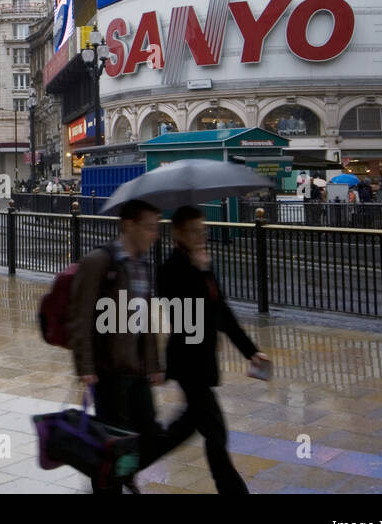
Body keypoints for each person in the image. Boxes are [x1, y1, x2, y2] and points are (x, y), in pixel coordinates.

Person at [156, 206, 269, 494]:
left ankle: (128, 461)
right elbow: (184, 314)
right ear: (179, 232)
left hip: (202, 360)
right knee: (215, 431)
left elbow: (222, 311)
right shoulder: (173, 267)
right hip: (187, 360)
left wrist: (250, 351)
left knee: (184, 429)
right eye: (194, 231)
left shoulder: (200, 264)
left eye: (202, 230)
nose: (200, 236)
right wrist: (200, 271)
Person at [67, 198, 165, 494]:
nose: (154, 235)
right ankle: (112, 481)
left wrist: (153, 364)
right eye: (149, 227)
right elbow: (80, 316)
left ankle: (122, 473)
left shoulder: (140, 265)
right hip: (108, 369)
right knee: (114, 441)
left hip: (136, 368)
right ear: (128, 225)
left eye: (156, 228)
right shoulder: (100, 262)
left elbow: (144, 319)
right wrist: (85, 366)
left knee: (148, 432)